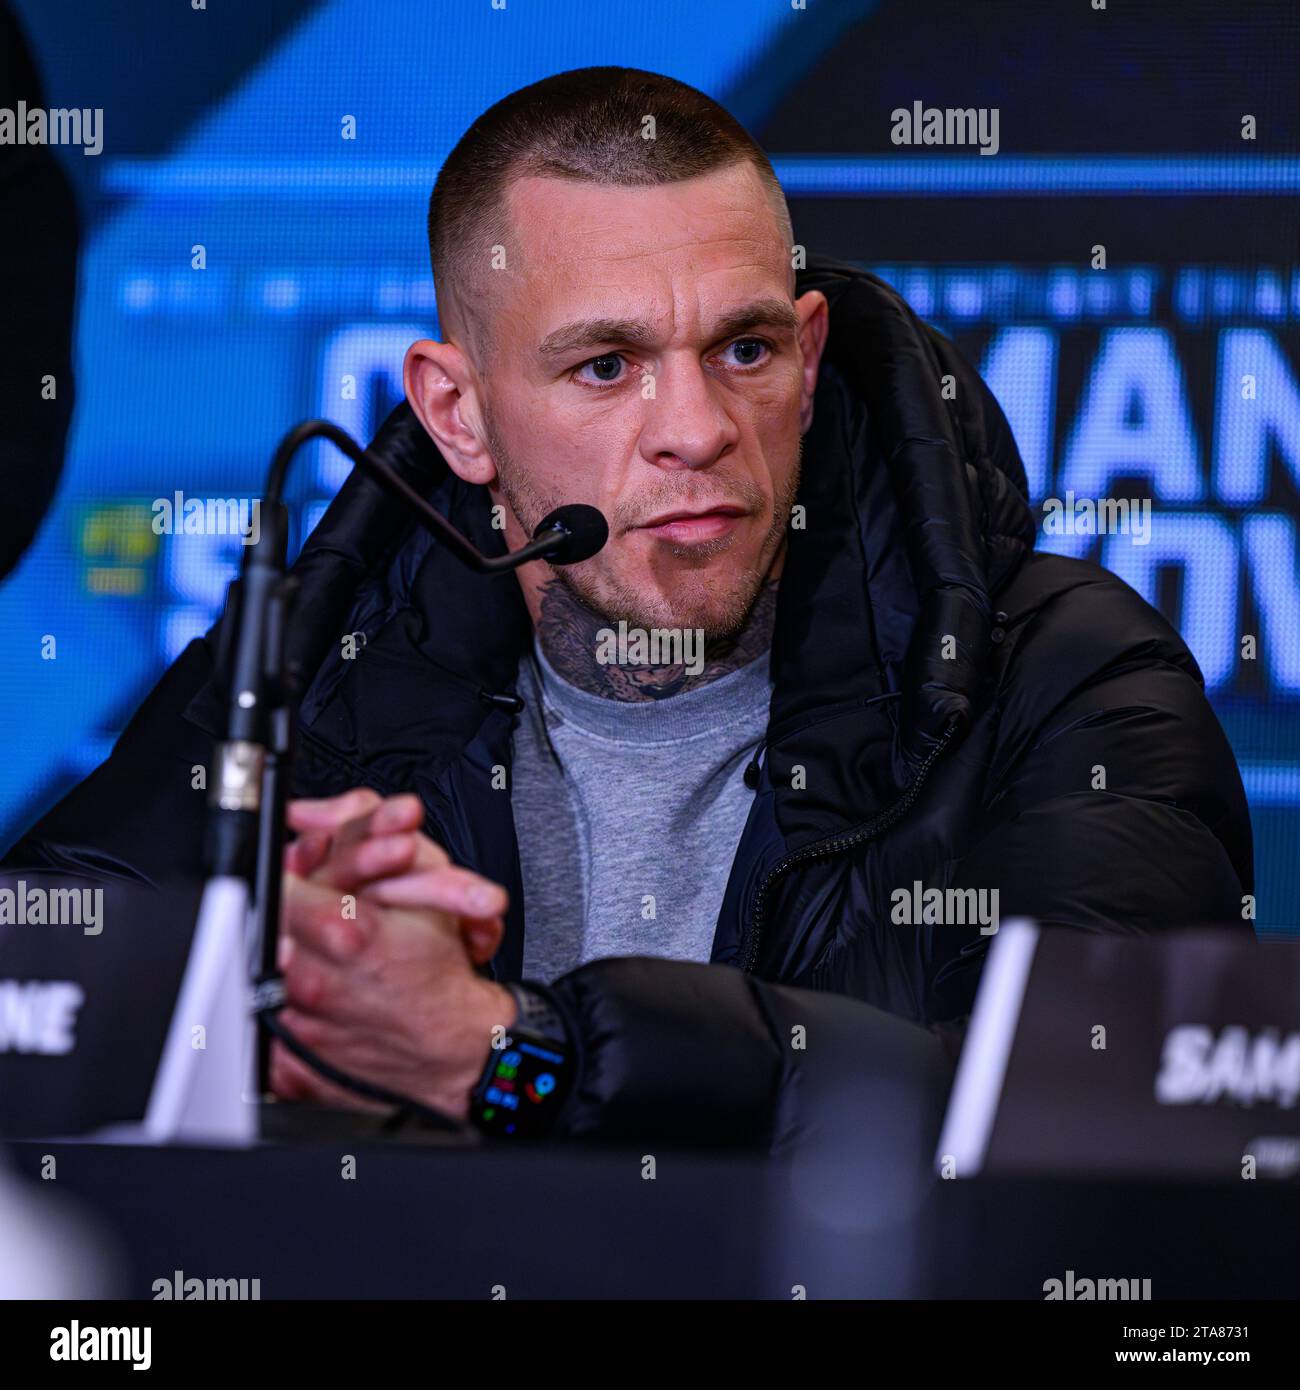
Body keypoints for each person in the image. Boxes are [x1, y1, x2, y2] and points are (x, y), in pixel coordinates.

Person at [3, 67, 1252, 1151]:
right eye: (605, 367)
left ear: (808, 359)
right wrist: (258, 997)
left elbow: (1092, 1113)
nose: (698, 431)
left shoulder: (1071, 676)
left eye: (744, 351)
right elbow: (33, 1011)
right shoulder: (315, 675)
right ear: (459, 415)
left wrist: (512, 1055)